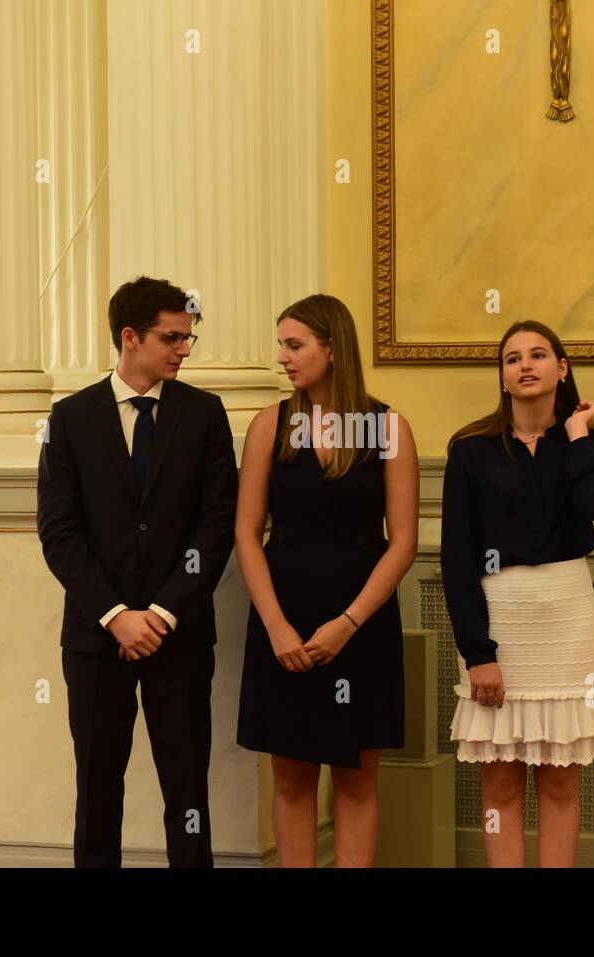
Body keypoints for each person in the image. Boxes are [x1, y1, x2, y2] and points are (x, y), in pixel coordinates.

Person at [37, 276, 238, 867]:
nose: (185, 349)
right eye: (172, 337)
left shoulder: (204, 414)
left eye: (189, 337)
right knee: (97, 793)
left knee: (187, 794)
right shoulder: (70, 418)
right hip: (96, 641)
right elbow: (59, 532)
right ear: (130, 337)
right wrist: (118, 616)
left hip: (181, 637)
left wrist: (163, 613)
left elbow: (217, 524)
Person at [235, 294, 418, 867]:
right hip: (282, 617)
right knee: (291, 780)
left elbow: (405, 541)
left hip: (361, 622)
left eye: (295, 345)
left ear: (333, 349)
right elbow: (246, 534)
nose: (283, 359)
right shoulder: (270, 424)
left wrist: (347, 624)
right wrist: (276, 627)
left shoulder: (387, 426)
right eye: (281, 346)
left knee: (357, 780)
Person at [441, 320, 594, 868]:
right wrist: (479, 653)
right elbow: (456, 557)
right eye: (512, 357)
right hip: (500, 626)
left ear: (561, 368)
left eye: (538, 354)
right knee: (501, 786)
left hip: (567, 622)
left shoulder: (582, 444)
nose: (525, 365)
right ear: (502, 376)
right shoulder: (471, 449)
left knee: (562, 786)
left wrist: (580, 432)